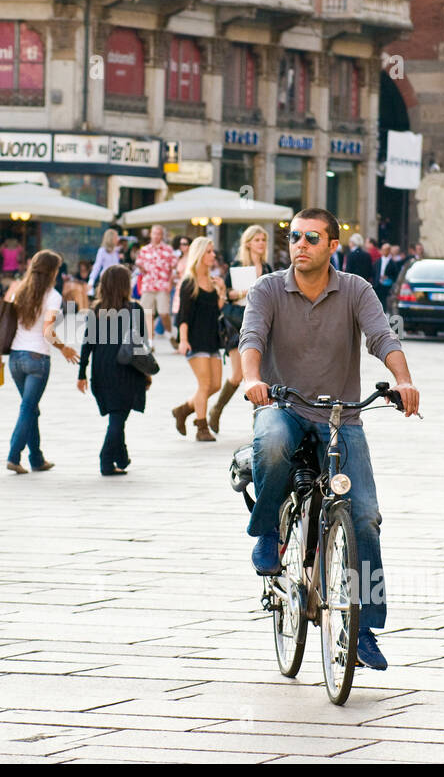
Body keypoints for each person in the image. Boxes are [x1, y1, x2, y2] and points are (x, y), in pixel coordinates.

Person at [240, 208, 421, 672]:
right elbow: (251, 338)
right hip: (281, 404)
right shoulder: (267, 289)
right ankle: (268, 531)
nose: (299, 244)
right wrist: (252, 379)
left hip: (341, 416)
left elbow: (382, 337)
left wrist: (403, 381)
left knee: (365, 517)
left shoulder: (356, 290)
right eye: (294, 236)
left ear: (331, 246)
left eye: (311, 237)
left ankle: (364, 629)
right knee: (274, 443)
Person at [0, 249, 79, 473]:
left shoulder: (17, 288)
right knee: (28, 408)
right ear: (52, 271)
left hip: (15, 358)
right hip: (37, 358)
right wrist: (63, 348)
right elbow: (47, 331)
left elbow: (4, 323)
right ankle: (13, 456)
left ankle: (37, 458)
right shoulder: (53, 295)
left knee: (30, 409)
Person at [77, 264, 148, 476]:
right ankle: (106, 459)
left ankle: (121, 458)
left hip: (101, 369)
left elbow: (86, 344)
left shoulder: (96, 311)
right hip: (126, 370)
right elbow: (141, 345)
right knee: (118, 416)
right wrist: (146, 374)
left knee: (117, 414)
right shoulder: (134, 309)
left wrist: (82, 374)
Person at [212, 225, 272, 434]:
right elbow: (226, 294)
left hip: (259, 324)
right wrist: (240, 292)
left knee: (259, 375)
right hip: (236, 323)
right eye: (257, 240)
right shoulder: (237, 267)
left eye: (263, 240)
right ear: (248, 243)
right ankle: (216, 410)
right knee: (238, 375)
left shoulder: (267, 268)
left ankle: (259, 424)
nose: (261, 243)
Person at [171, 237, 226, 442]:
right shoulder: (189, 282)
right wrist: (183, 340)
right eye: (209, 252)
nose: (213, 255)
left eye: (213, 251)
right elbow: (183, 316)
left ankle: (184, 410)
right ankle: (202, 428)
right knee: (204, 385)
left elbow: (215, 310)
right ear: (200, 254)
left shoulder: (212, 281)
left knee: (216, 385)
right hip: (195, 339)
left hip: (212, 339)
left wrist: (221, 291)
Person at [134, 224, 178, 348]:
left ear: (162, 235)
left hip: (162, 285)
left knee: (164, 313)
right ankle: (150, 342)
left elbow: (174, 268)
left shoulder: (168, 250)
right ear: (151, 234)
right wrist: (142, 268)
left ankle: (169, 334)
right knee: (148, 313)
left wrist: (170, 282)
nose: (156, 236)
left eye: (159, 233)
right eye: (154, 233)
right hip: (148, 285)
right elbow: (139, 264)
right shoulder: (145, 249)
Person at [88, 228, 122, 296]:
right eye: (116, 237)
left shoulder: (116, 251)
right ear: (111, 238)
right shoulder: (102, 251)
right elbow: (97, 266)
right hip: (106, 278)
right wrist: (91, 281)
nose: (118, 239)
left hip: (116, 279)